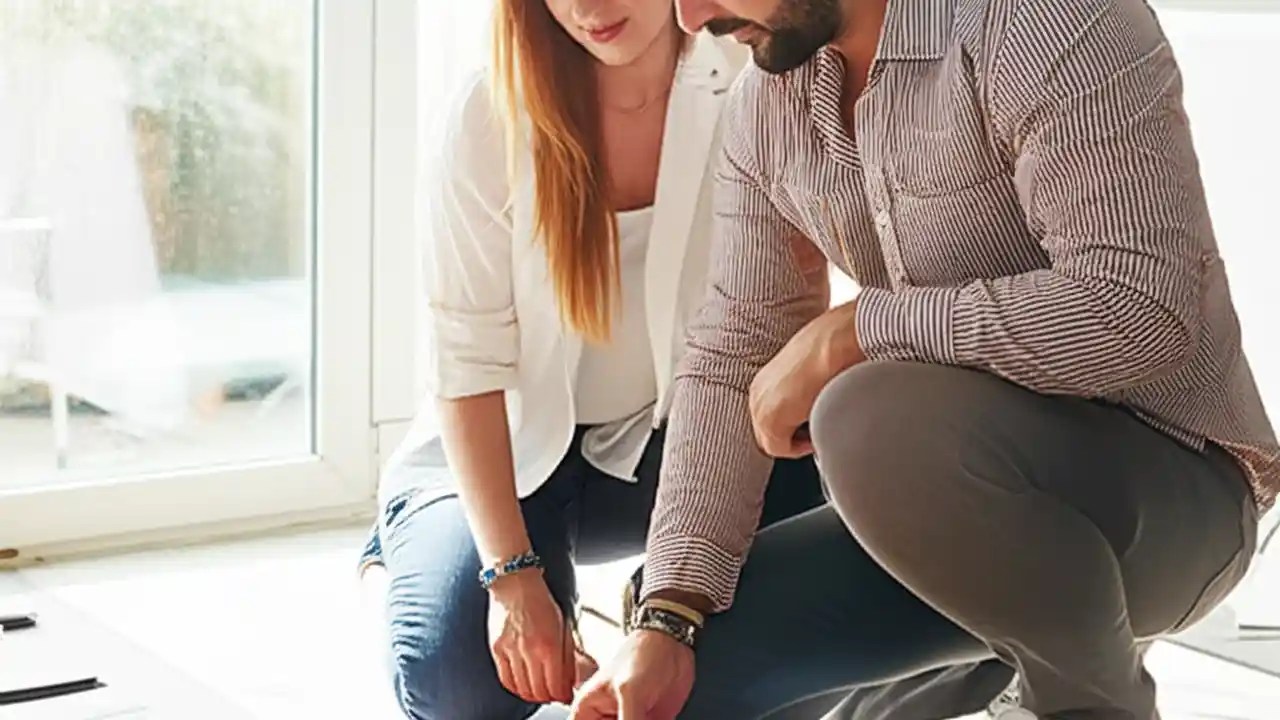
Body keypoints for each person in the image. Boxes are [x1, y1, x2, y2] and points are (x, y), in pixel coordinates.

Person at [571, 0, 1280, 718]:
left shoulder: (1045, 21)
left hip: (1171, 497)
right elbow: (732, 352)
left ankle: (1086, 702)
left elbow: (1141, 312)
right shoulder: (769, 106)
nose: (692, 18)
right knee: (680, 678)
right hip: (953, 510)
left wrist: (857, 331)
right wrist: (665, 613)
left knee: (867, 414)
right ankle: (987, 668)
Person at [356, 2, 829, 719]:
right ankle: (416, 547)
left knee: (756, 651)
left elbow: (789, 303)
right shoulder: (488, 112)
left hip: (677, 441)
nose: (587, 8)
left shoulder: (749, 79)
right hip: (505, 458)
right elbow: (467, 366)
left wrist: (674, 605)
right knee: (459, 684)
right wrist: (512, 578)